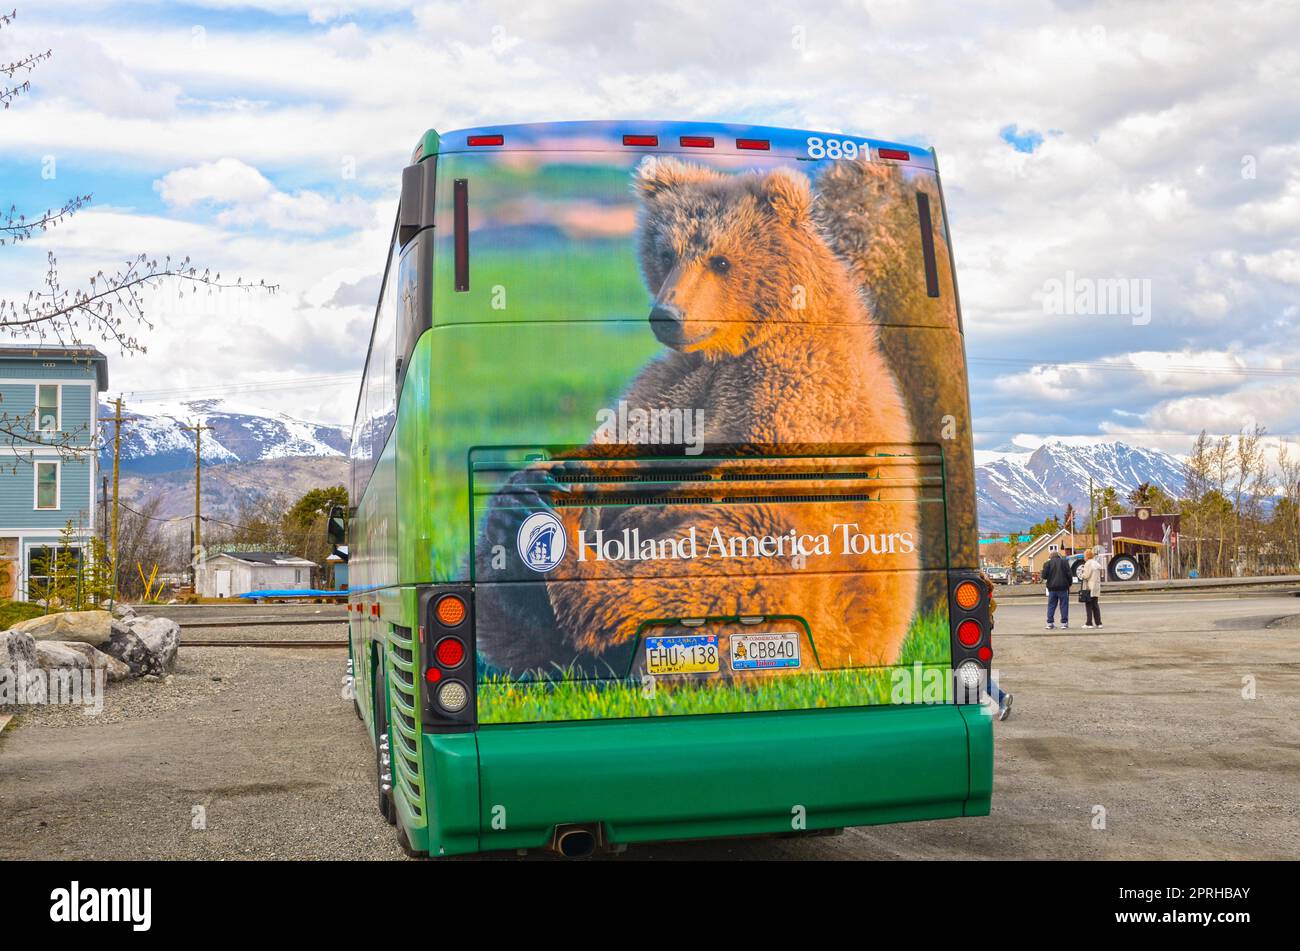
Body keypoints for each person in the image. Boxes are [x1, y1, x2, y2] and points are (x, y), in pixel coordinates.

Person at [978, 571, 1013, 720]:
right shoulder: (987, 596)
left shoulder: (978, 598)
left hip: (977, 644)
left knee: (976, 676)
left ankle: (1001, 698)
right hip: (984, 642)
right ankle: (999, 699)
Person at [1041, 549, 1072, 630]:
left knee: (1051, 605)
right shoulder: (1064, 562)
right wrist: (1069, 584)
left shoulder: (1047, 563)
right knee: (1064, 605)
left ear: (1050, 556)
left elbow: (1044, 576)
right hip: (1063, 587)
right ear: (1058, 555)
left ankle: (1049, 623)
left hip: (1052, 588)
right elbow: (1069, 575)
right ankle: (1064, 623)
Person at [1081, 547, 1104, 628]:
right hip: (1096, 586)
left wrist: (1082, 575)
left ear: (1087, 556)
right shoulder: (1096, 563)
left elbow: (1086, 575)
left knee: (1088, 605)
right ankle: (1099, 623)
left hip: (1090, 587)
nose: (1084, 557)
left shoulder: (1088, 563)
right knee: (1095, 605)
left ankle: (1089, 623)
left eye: (1084, 555)